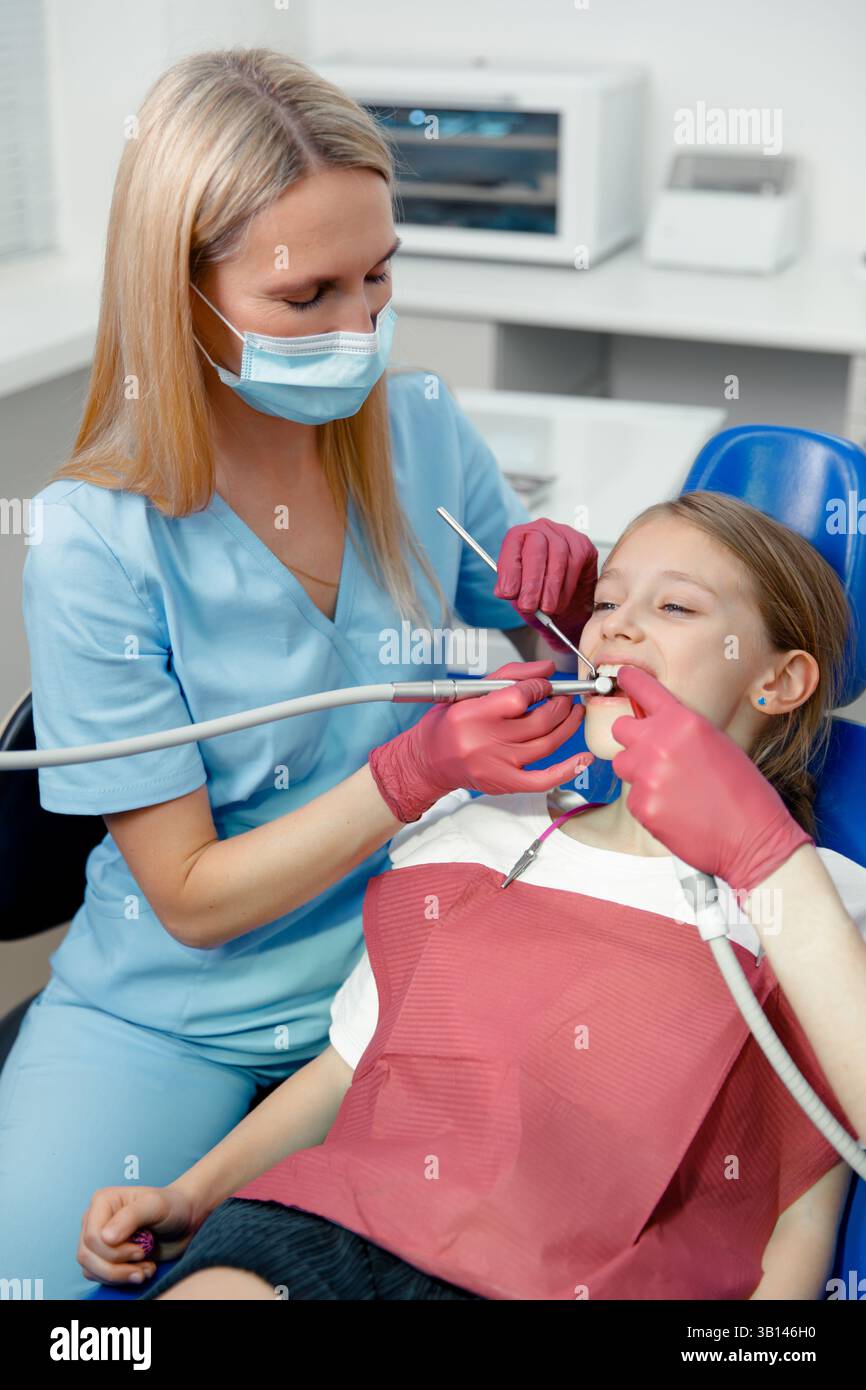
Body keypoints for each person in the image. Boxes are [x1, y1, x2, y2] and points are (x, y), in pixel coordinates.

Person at [0, 47, 596, 1299]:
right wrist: (414, 767)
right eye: (305, 294)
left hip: (413, 982)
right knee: (48, 1300)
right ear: (184, 294)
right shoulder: (97, 537)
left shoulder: (420, 423)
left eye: (377, 278)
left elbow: (554, 645)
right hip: (173, 1011)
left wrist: (575, 593)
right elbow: (195, 901)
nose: (357, 328)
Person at [77, 490, 866, 1300]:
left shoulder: (814, 912)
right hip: (330, 1233)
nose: (617, 627)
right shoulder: (479, 838)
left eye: (673, 605)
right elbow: (350, 1068)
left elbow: (797, 1208)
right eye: (604, 602)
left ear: (780, 679)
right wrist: (190, 1196)